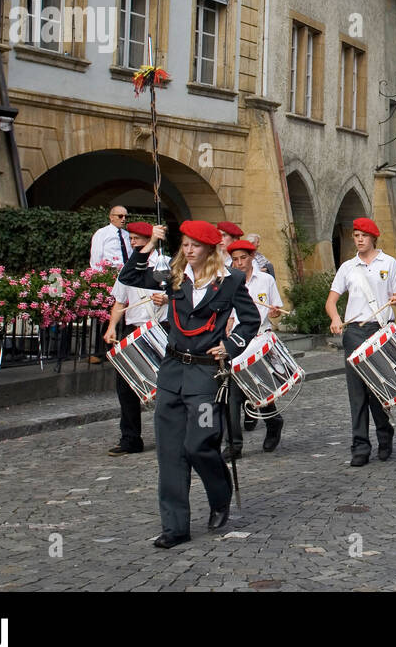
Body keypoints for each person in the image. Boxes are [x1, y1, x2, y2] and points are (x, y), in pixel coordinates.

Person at [118, 219, 262, 549]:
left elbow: (250, 320)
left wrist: (232, 345)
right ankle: (175, 527)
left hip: (205, 377)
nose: (189, 249)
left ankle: (219, 495)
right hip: (171, 374)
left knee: (199, 444)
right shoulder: (173, 277)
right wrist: (149, 245)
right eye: (185, 244)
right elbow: (129, 277)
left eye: (195, 245)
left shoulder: (230, 281)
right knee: (170, 454)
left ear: (210, 249)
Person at [325, 217, 396, 467]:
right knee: (357, 392)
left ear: (373, 238)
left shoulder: (388, 262)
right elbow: (331, 300)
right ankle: (360, 446)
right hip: (355, 332)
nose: (359, 240)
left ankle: (384, 435)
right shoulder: (348, 267)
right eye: (356, 235)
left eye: (363, 235)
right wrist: (336, 318)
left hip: (380, 330)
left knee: (379, 389)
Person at [102, 222, 170, 456]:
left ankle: (171, 434)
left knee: (166, 384)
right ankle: (130, 438)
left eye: (137, 238)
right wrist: (112, 327)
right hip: (133, 329)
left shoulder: (166, 264)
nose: (132, 242)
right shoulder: (128, 270)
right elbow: (120, 302)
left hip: (161, 328)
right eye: (130, 238)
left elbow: (184, 294)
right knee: (126, 385)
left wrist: (169, 299)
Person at [223, 239, 286, 456]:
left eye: (243, 258)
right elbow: (227, 314)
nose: (239, 263)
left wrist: (274, 313)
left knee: (260, 389)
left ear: (252, 258)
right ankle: (234, 445)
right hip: (237, 341)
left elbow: (274, 308)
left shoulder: (266, 279)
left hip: (260, 339)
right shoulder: (227, 282)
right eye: (235, 259)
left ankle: (274, 422)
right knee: (233, 394)